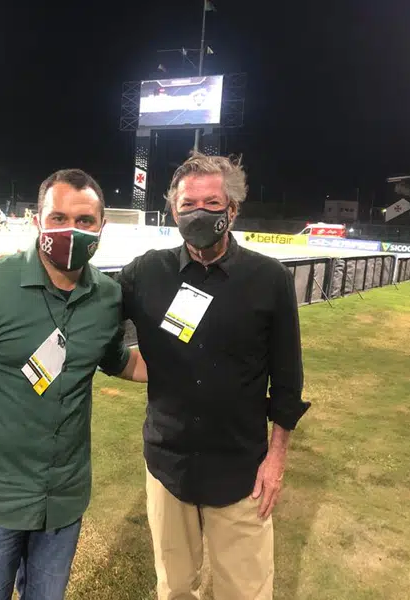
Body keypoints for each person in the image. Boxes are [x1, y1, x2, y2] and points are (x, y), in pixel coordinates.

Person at [0, 168, 147, 600]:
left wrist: (193, 363)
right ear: (36, 221)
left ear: (102, 227)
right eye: (58, 218)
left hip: (63, 500)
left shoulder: (107, 299)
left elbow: (118, 361)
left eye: (84, 221)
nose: (71, 230)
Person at [118, 153, 309, 600]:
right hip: (169, 465)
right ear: (172, 210)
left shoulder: (269, 279)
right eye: (187, 205)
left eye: (211, 202)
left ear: (233, 209)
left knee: (244, 591)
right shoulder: (145, 273)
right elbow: (88, 309)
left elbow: (287, 380)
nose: (198, 213)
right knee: (174, 588)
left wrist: (277, 458)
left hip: (241, 468)